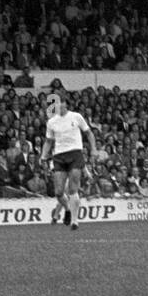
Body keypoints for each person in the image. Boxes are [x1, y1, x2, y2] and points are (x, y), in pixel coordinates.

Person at [41, 93, 97, 231]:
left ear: (65, 104)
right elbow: (48, 141)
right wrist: (43, 157)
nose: (57, 106)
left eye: (60, 103)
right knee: (59, 192)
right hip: (59, 156)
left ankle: (74, 220)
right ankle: (66, 209)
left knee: (73, 189)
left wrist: (94, 149)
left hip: (75, 154)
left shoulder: (76, 116)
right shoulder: (51, 122)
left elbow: (89, 133)